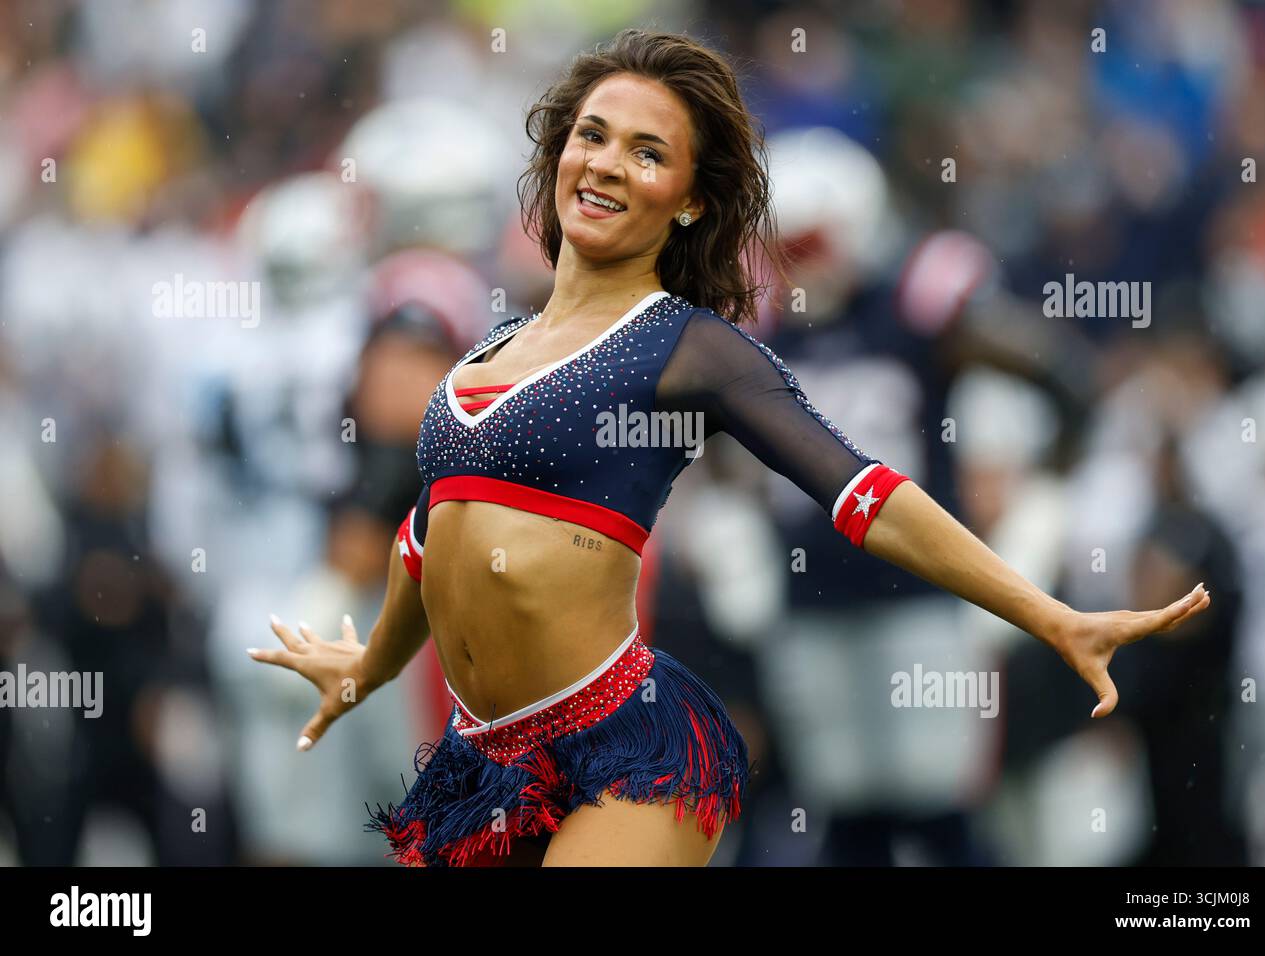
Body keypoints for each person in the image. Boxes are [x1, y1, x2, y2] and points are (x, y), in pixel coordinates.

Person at [247, 29, 1212, 867]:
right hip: (476, 751)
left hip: (619, 746)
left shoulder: (687, 346)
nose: (607, 163)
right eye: (592, 134)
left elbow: (864, 492)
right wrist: (369, 664)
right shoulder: (485, 350)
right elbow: (431, 538)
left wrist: (1047, 613)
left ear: (691, 201)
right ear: (554, 154)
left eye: (647, 151)